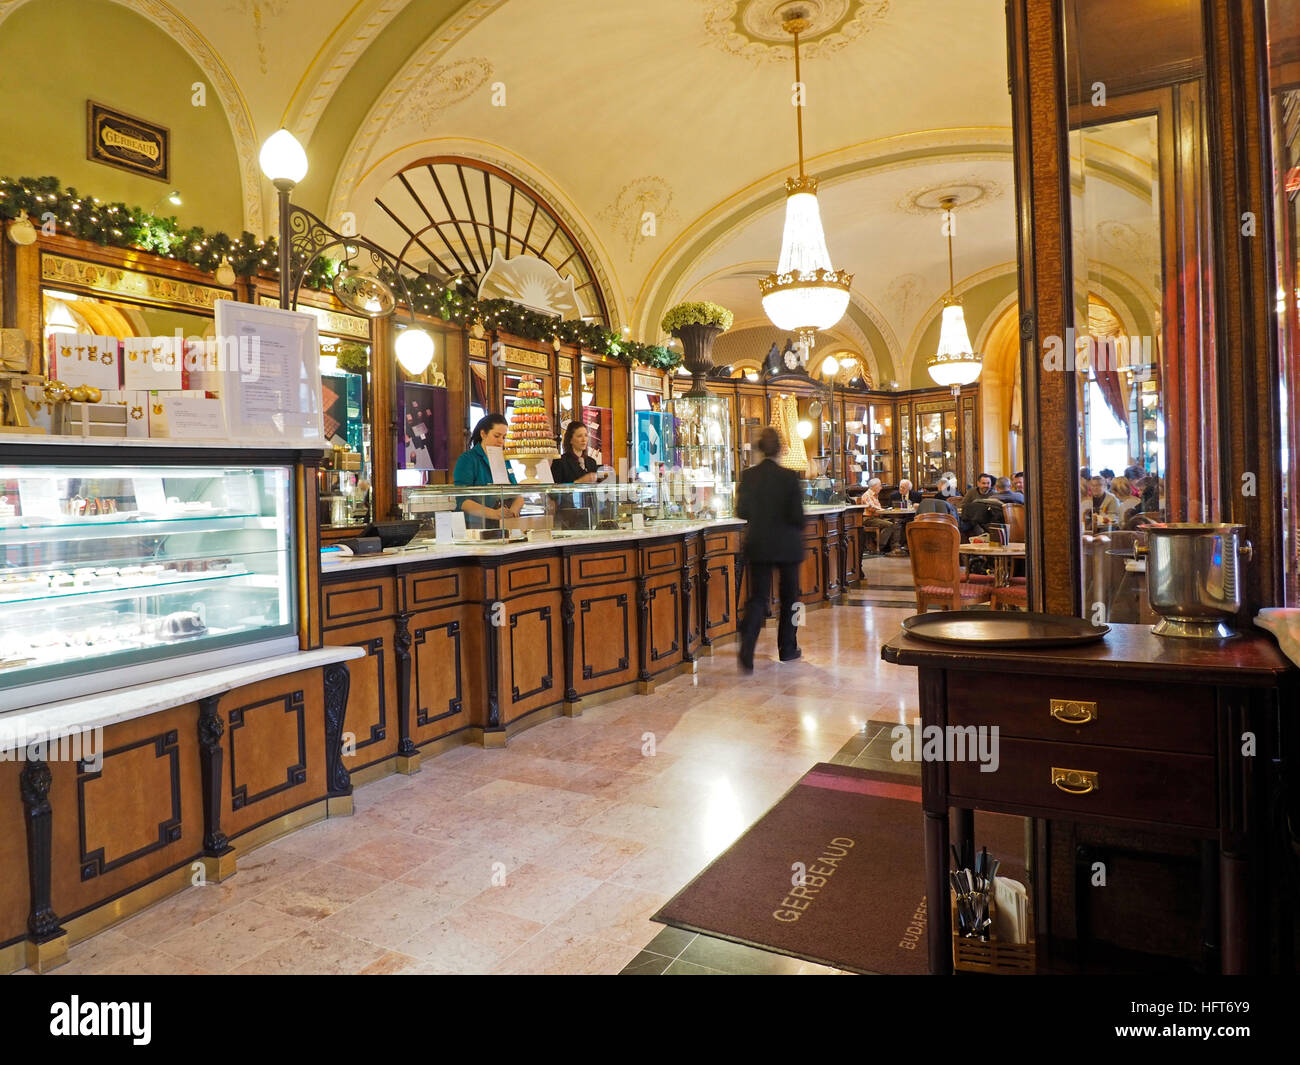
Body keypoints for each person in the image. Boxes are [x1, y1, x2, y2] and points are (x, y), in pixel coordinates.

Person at [736, 427, 804, 671]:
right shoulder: (790, 477)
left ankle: (747, 648)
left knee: (757, 597)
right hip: (788, 546)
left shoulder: (748, 476)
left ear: (759, 449)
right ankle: (788, 648)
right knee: (792, 599)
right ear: (780, 449)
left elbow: (741, 512)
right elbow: (798, 516)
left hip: (758, 543)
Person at [453, 413, 522, 525]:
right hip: (475, 527)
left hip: (503, 525)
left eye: (504, 437)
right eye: (496, 436)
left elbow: (517, 494)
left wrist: (512, 512)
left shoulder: (505, 460)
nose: (501, 441)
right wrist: (495, 514)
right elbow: (463, 501)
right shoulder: (467, 459)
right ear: (483, 434)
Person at [860, 478, 903, 553]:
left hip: (876, 518)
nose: (881, 488)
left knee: (897, 523)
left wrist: (884, 510)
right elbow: (871, 507)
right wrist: (883, 510)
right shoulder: (867, 495)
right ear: (874, 486)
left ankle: (894, 547)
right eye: (879, 486)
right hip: (868, 519)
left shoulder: (875, 496)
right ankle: (878, 543)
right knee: (890, 525)